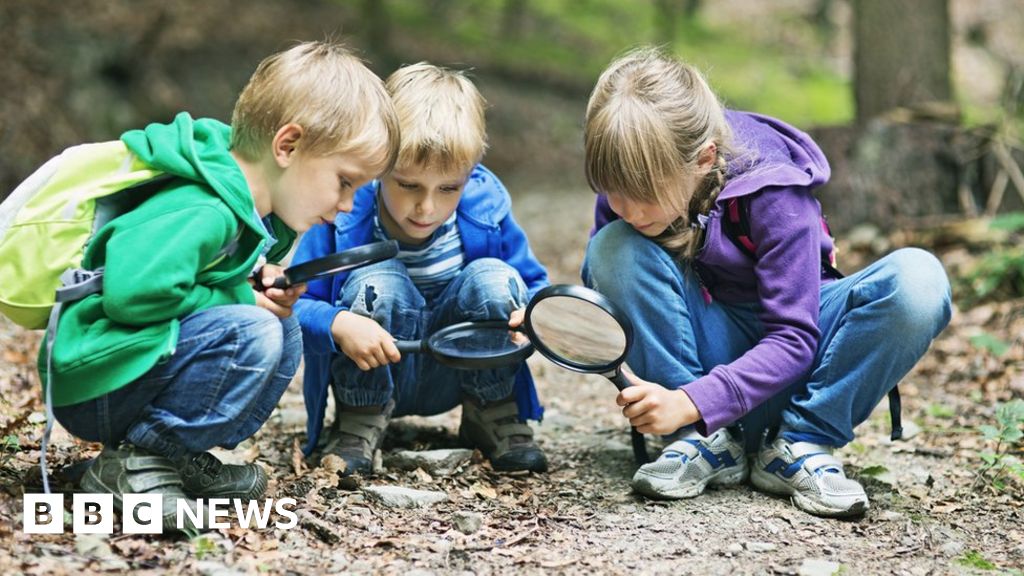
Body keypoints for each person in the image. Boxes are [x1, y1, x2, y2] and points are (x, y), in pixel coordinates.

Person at [39, 41, 399, 532]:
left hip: (128, 369)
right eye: (345, 181)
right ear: (287, 146)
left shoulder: (239, 211)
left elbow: (198, 285)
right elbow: (133, 294)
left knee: (281, 327)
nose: (348, 205)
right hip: (96, 379)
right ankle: (136, 461)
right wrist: (238, 298)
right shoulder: (203, 207)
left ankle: (168, 456)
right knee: (254, 330)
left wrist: (251, 284)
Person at [582, 47, 951, 517]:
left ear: (703, 159)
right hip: (699, 375)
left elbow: (795, 338)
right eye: (613, 191)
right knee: (613, 247)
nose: (626, 209)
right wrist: (557, 322)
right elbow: (612, 303)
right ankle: (702, 445)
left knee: (919, 279)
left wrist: (692, 400)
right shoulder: (627, 201)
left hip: (799, 371)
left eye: (643, 196)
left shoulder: (774, 192)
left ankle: (801, 444)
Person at [294, 63, 549, 476]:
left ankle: (491, 411)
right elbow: (296, 307)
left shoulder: (485, 211)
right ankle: (360, 420)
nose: (427, 208)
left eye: (448, 188)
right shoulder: (344, 215)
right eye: (408, 185)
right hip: (375, 367)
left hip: (459, 369)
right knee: (379, 278)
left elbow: (535, 286)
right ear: (379, 167)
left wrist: (534, 315)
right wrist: (338, 323)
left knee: (493, 277)